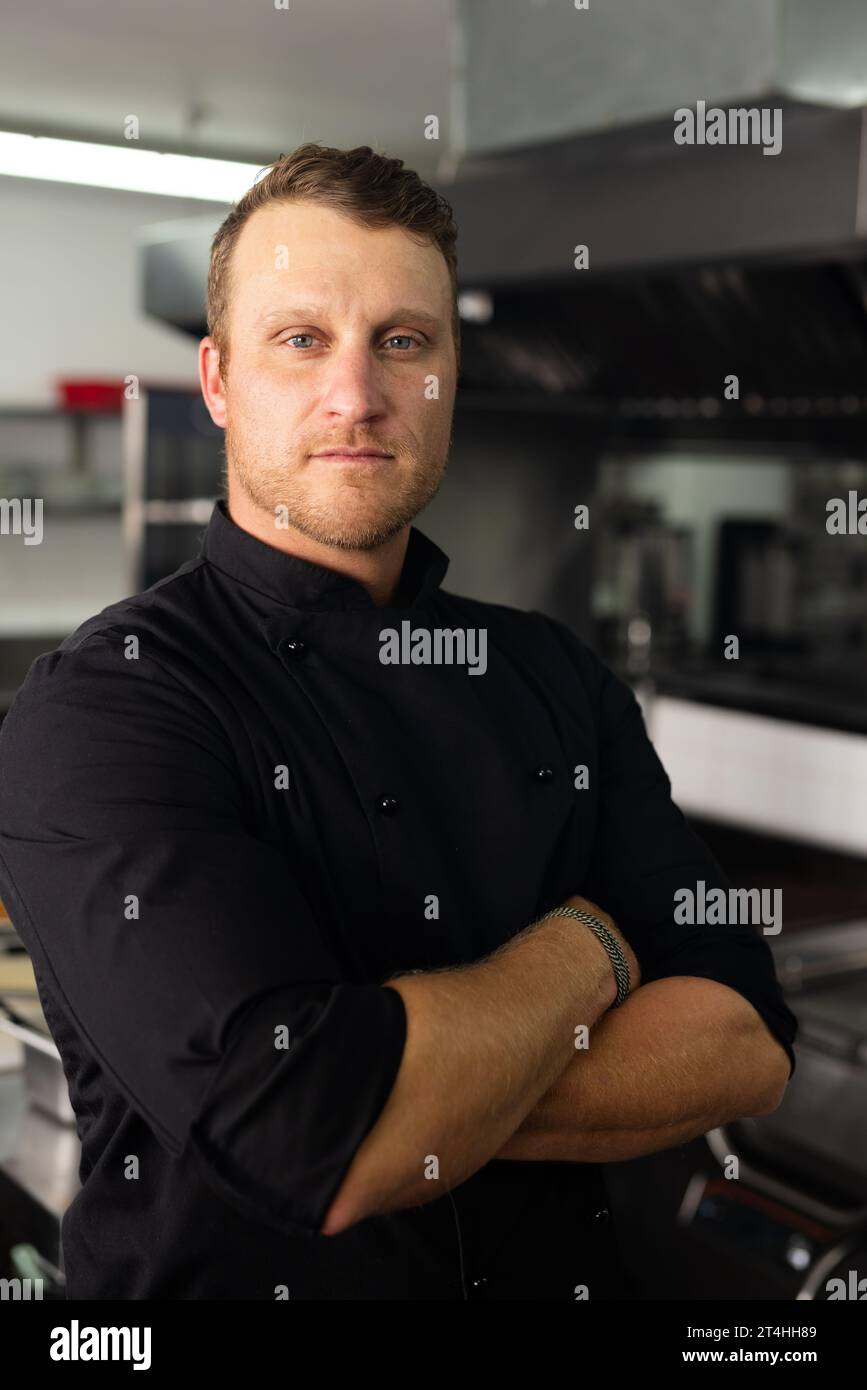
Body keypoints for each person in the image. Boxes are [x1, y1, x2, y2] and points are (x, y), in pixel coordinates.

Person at [0, 143, 796, 1300]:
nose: (357, 394)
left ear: (450, 374)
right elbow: (307, 1142)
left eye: (403, 342)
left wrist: (402, 1094)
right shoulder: (109, 705)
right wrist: (598, 946)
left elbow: (746, 1038)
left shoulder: (555, 677)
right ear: (219, 380)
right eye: (304, 339)